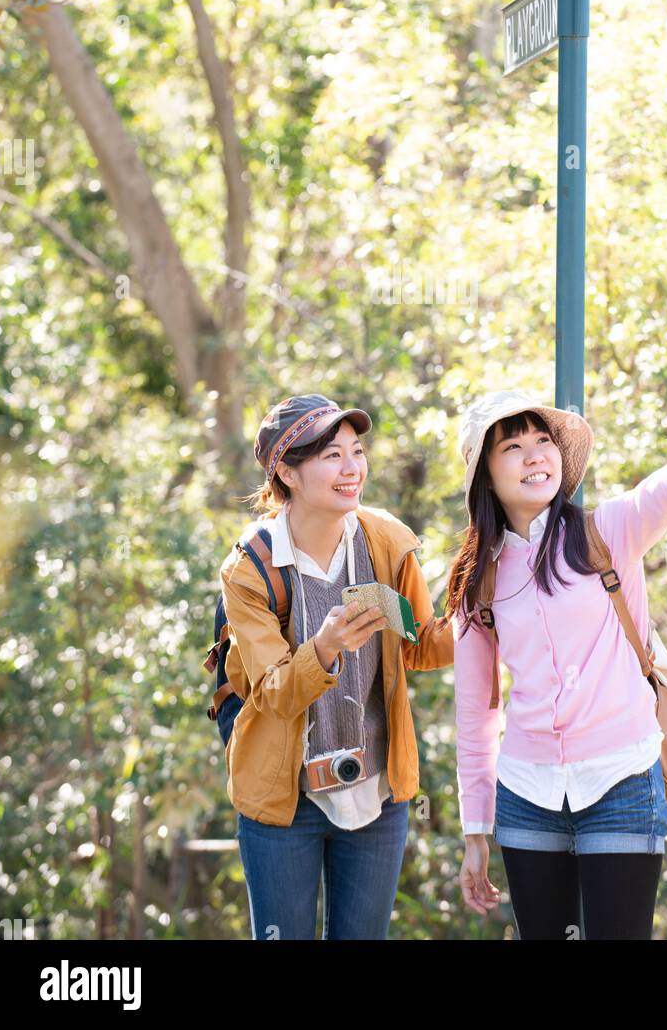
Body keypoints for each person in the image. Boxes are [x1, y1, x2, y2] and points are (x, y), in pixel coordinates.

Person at [445, 390, 667, 940]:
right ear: (485, 477)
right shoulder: (478, 580)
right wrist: (475, 829)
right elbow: (475, 711)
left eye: (543, 442)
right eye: (513, 447)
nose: (535, 456)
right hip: (526, 793)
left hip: (621, 778)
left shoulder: (606, 531)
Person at [222, 393, 454, 940]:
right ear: (287, 471)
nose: (352, 468)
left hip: (377, 793)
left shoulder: (387, 541)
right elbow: (275, 692)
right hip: (285, 803)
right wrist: (323, 648)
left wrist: (485, 621)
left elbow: (420, 644)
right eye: (331, 456)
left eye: (357, 451)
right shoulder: (250, 569)